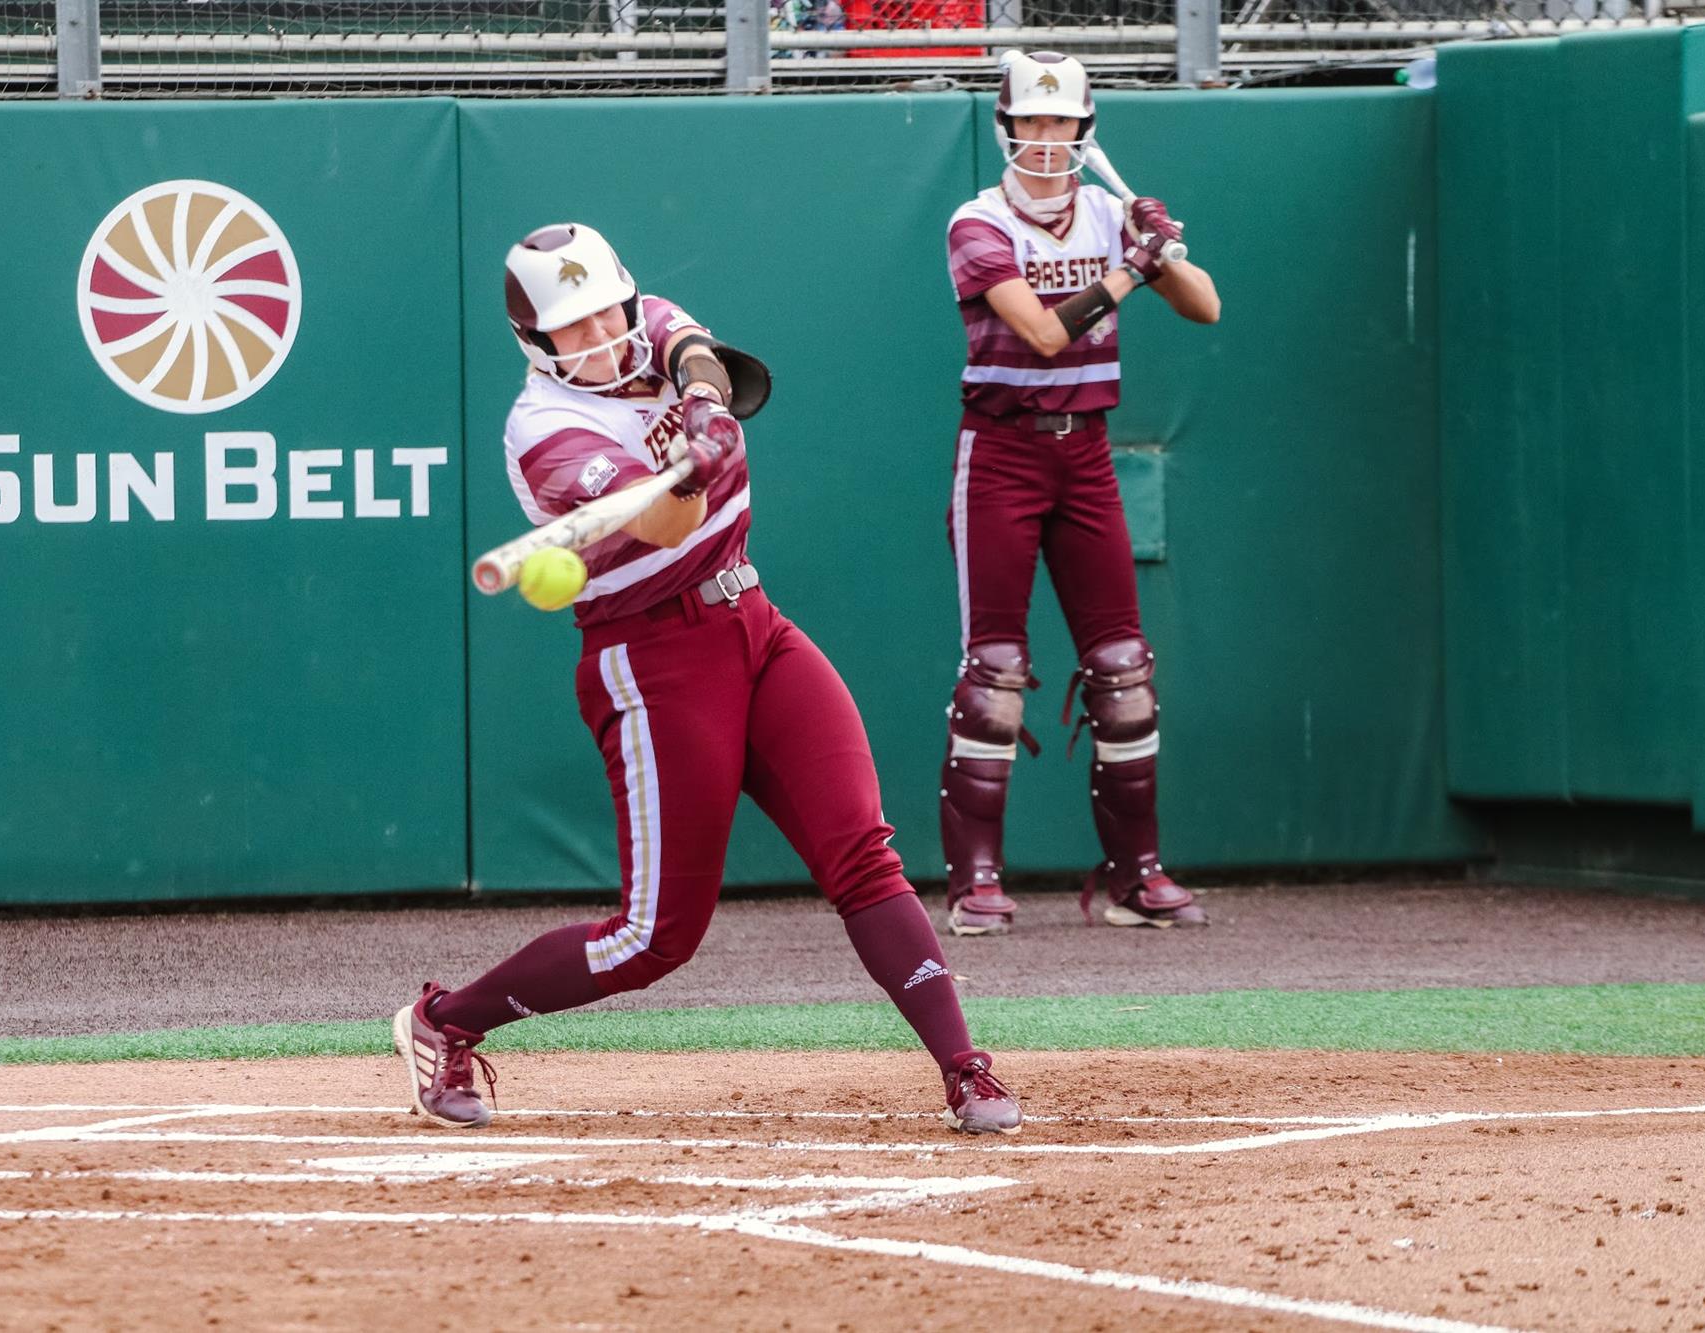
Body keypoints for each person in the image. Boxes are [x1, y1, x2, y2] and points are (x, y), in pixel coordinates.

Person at [393, 222, 1021, 1135]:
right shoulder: (546, 431)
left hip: (755, 623)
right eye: (572, 327)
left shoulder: (643, 320)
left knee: (861, 851)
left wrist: (702, 401)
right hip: (651, 660)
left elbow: (693, 346)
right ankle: (446, 1020)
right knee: (656, 938)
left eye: (605, 310)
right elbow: (660, 527)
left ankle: (965, 1066)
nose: (601, 333)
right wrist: (690, 471)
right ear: (533, 342)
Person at [938, 51, 1222, 938]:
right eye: (1032, 122)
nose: (1047, 139)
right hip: (1003, 453)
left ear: (1084, 126)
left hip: (1087, 454)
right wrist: (1134, 269)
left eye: (1061, 123)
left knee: (1124, 669)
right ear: (1007, 127)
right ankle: (976, 879)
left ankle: (1135, 874)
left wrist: (1160, 246)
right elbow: (1039, 332)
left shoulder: (1106, 211)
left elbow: (1206, 306)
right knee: (994, 671)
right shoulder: (976, 221)